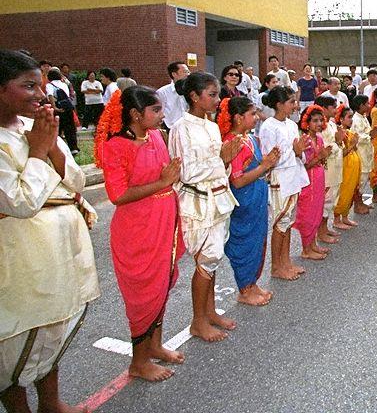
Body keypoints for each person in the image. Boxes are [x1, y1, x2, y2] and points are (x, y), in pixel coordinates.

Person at [0, 49, 99, 412]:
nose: (42, 95)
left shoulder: (33, 128)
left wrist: (51, 144)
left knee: (53, 332)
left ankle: (51, 403)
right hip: (22, 259)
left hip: (62, 252)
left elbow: (74, 180)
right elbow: (20, 202)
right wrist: (39, 153)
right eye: (28, 86)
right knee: (18, 342)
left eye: (40, 85)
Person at [98, 86, 185, 382]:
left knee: (161, 285)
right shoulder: (115, 146)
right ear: (135, 114)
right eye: (156, 111)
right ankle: (138, 362)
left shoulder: (156, 136)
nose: (162, 116)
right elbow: (118, 194)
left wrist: (171, 176)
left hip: (164, 223)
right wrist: (163, 183)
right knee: (143, 294)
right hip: (137, 229)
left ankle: (156, 345)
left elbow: (166, 175)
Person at [169, 72, 241, 342]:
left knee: (213, 258)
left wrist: (225, 160)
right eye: (212, 94)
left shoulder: (211, 125)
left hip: (219, 200)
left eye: (217, 94)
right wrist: (220, 158)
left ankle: (209, 311)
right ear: (194, 97)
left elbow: (220, 165)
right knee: (206, 260)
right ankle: (197, 321)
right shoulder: (180, 128)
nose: (218, 99)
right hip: (197, 202)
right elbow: (186, 172)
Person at [217, 97, 280, 306]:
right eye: (252, 114)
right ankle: (244, 289)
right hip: (244, 199)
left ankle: (252, 284)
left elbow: (258, 167)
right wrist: (264, 167)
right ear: (237, 118)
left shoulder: (251, 138)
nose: (256, 118)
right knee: (245, 243)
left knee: (259, 239)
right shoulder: (231, 143)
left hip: (258, 195)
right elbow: (238, 180)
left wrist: (268, 162)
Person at [259, 86, 310, 280]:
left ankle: (286, 261)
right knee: (280, 224)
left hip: (293, 176)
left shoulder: (291, 124)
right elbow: (269, 158)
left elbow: (298, 152)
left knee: (287, 222)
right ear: (279, 105)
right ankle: (276, 267)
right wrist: (294, 151)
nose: (295, 105)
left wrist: (299, 151)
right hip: (280, 179)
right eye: (291, 102)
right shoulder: (268, 126)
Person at [294, 105, 332, 261]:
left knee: (317, 212)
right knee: (308, 214)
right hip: (308, 180)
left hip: (319, 178)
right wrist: (320, 156)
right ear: (306, 122)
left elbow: (321, 160)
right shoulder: (305, 140)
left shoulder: (320, 138)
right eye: (314, 121)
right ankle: (305, 249)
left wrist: (322, 157)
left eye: (321, 120)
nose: (318, 123)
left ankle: (313, 244)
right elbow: (304, 165)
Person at [315, 96, 345, 239]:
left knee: (331, 200)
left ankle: (325, 228)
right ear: (324, 109)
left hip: (336, 169)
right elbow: (324, 149)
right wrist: (338, 141)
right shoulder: (320, 127)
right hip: (327, 171)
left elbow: (339, 145)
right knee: (324, 202)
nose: (336, 109)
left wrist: (340, 141)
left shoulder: (332, 124)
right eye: (333, 107)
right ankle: (320, 232)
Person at [334, 105, 361, 228]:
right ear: (341, 119)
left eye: (352, 117)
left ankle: (345, 217)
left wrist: (354, 144)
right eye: (349, 117)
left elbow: (354, 149)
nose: (351, 120)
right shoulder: (339, 134)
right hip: (345, 168)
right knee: (343, 193)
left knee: (351, 192)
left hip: (353, 167)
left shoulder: (349, 132)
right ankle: (337, 219)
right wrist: (352, 145)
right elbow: (341, 153)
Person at [350, 94, 376, 215]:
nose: (369, 105)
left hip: (367, 152)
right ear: (361, 105)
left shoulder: (363, 117)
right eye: (367, 104)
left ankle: (360, 202)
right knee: (360, 180)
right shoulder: (355, 119)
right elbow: (356, 136)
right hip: (360, 153)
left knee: (364, 179)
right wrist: (370, 135)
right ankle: (357, 205)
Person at [45, 68, 80, 155]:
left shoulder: (49, 85)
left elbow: (50, 96)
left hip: (58, 107)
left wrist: (54, 107)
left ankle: (56, 147)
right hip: (67, 107)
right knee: (70, 128)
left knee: (57, 127)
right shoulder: (64, 84)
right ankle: (73, 148)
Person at [156, 61, 190, 130]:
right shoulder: (162, 92)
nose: (188, 74)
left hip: (188, 128)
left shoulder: (190, 90)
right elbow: (159, 113)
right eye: (185, 72)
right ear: (174, 74)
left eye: (188, 72)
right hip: (171, 129)